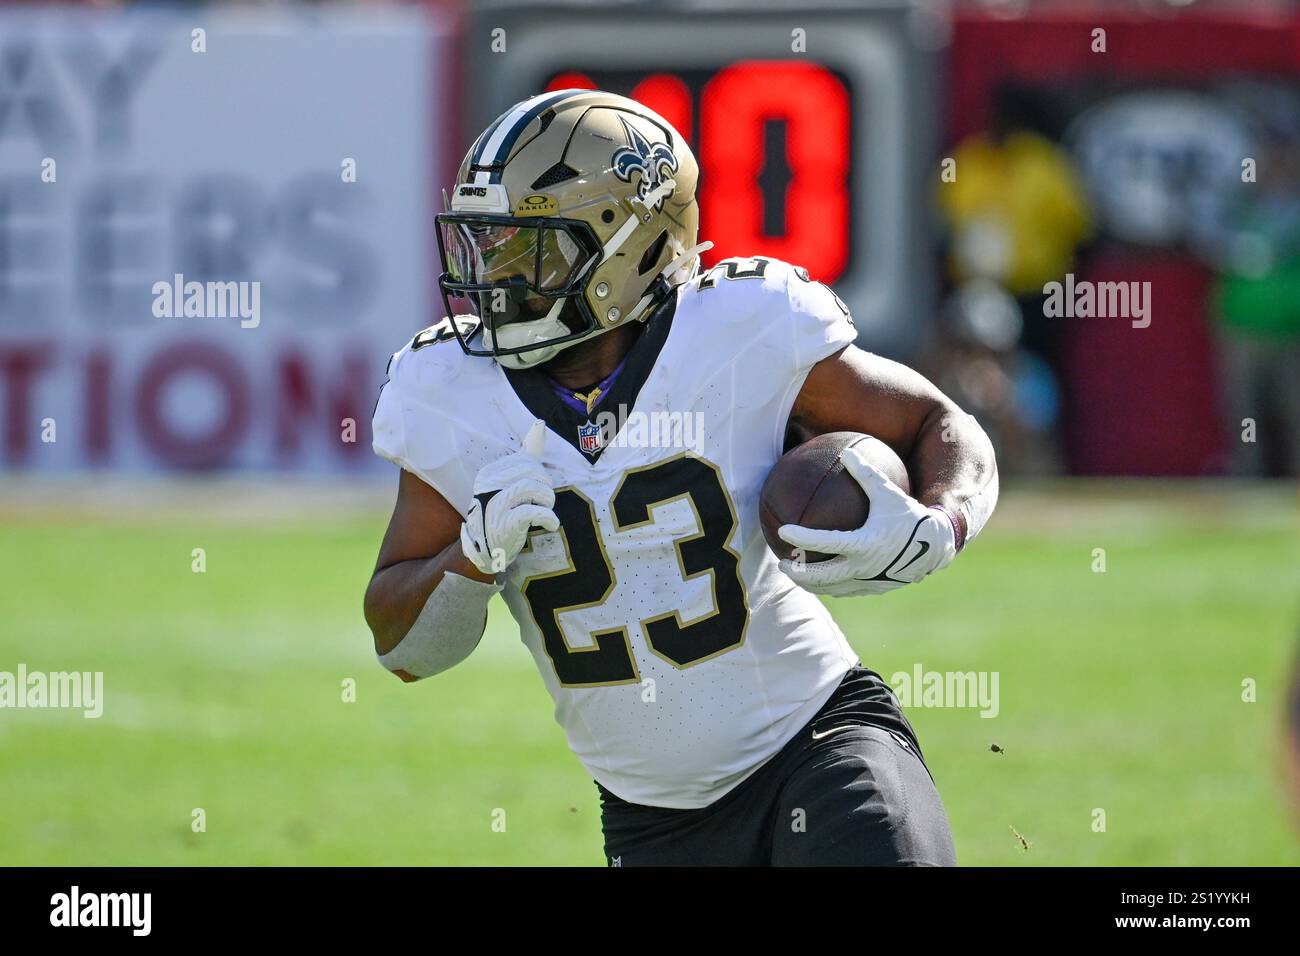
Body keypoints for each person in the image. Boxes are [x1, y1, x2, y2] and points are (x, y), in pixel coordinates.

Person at [364, 90, 998, 866]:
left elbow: (940, 424)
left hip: (820, 746)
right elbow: (403, 653)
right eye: (485, 245)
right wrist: (470, 556)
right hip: (653, 822)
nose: (494, 277)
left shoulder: (741, 331)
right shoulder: (447, 392)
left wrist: (945, 519)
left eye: (528, 250)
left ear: (626, 249)